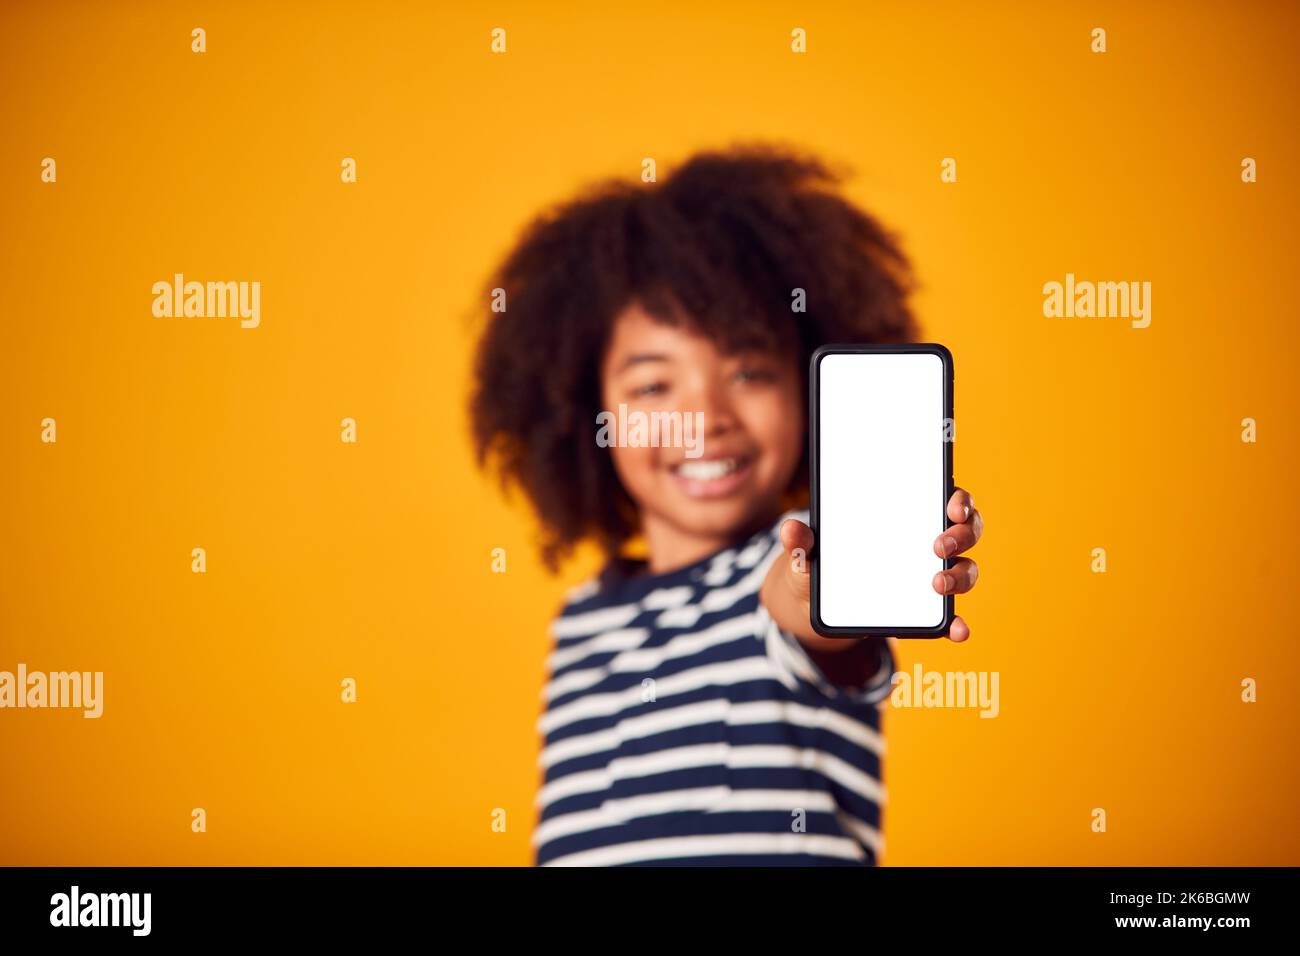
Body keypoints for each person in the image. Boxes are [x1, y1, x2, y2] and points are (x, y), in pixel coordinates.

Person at [471, 142, 983, 866]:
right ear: (588, 414)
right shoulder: (582, 618)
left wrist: (826, 581)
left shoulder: (790, 560)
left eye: (748, 371)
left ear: (807, 396)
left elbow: (806, 619)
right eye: (653, 386)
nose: (705, 415)